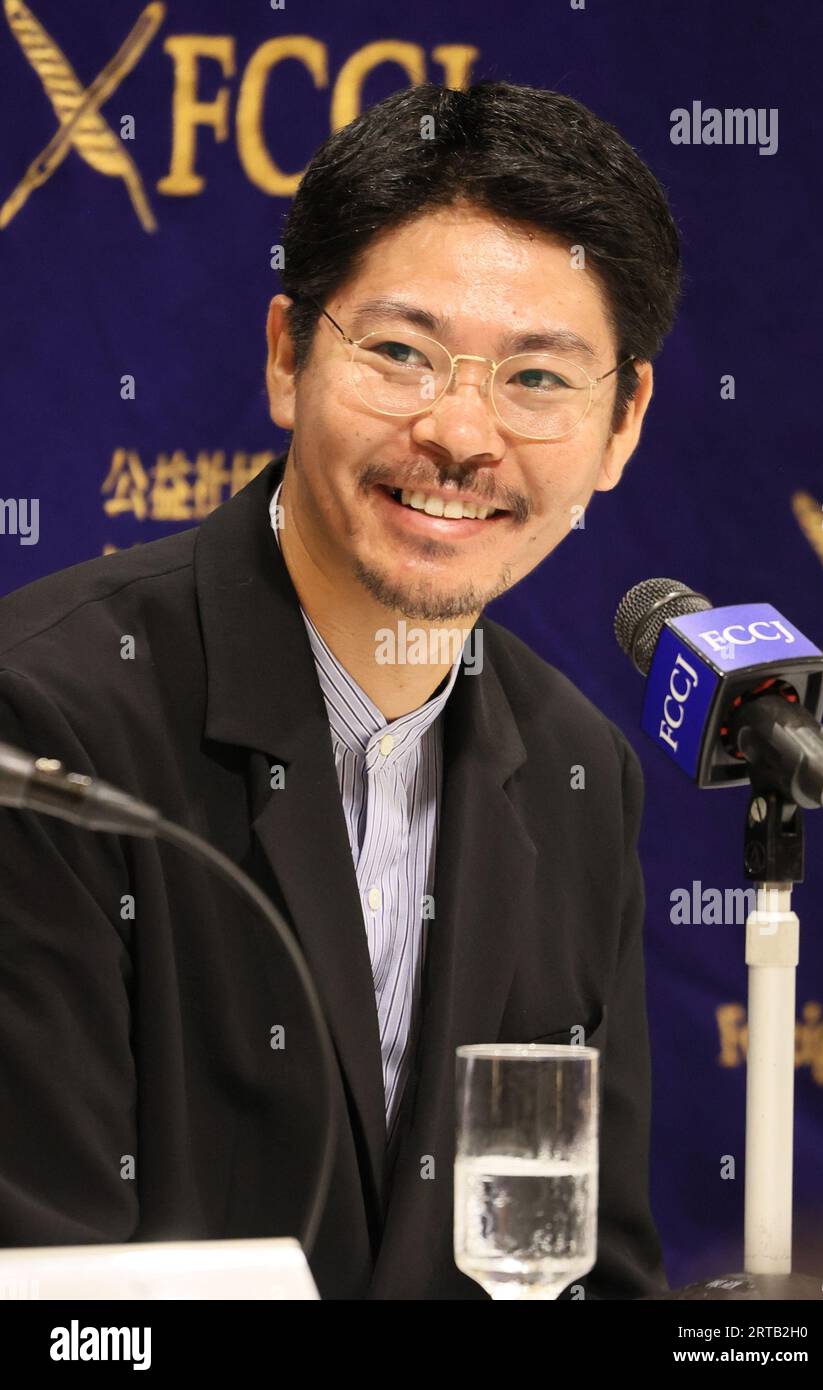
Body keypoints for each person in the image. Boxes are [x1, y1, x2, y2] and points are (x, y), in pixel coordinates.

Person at [0, 79, 681, 1299]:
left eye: (537, 378)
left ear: (621, 424)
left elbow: (596, 1274)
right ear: (286, 355)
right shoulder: (49, 720)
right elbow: (46, 1285)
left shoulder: (581, 772)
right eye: (403, 353)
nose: (463, 433)